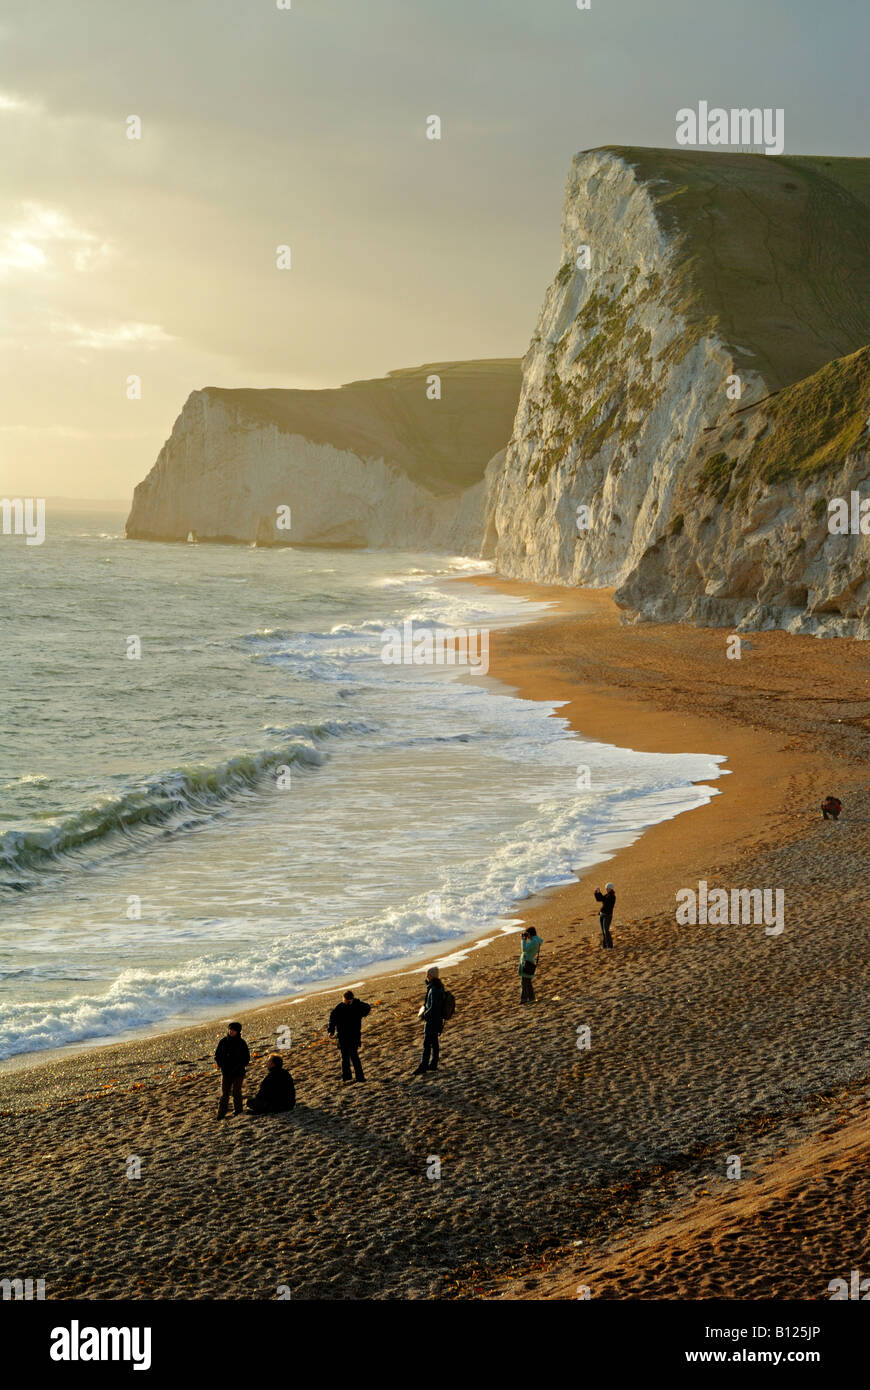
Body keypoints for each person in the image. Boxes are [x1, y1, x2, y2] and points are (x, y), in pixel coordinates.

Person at [327, 989, 372, 1083]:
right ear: (343, 999)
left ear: (352, 999)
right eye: (345, 1000)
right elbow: (332, 1019)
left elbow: (367, 1007)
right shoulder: (339, 1007)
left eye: (349, 1001)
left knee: (354, 1056)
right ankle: (347, 1078)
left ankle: (360, 1078)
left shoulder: (357, 1005)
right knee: (344, 1058)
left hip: (353, 1035)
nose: (347, 1002)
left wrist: (359, 1008)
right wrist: (331, 1031)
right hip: (342, 1036)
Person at [214, 1021, 250, 1119]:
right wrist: (221, 1065)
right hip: (226, 1072)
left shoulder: (242, 1043)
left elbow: (246, 1058)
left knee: (236, 1092)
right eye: (230, 1029)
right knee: (224, 1094)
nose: (231, 1031)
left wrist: (239, 1066)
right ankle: (221, 1114)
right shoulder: (223, 1041)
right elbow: (217, 1055)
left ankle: (238, 1111)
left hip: (238, 1072)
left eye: (233, 1030)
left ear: (238, 1031)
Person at [414, 966, 445, 1075]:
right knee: (434, 1043)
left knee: (427, 1044)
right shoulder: (438, 986)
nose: (427, 976)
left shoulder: (434, 989)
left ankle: (423, 1066)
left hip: (432, 1021)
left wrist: (424, 1015)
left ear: (432, 976)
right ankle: (433, 1064)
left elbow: (433, 1007)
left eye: (428, 974)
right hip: (437, 1020)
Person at [518, 926, 543, 1004]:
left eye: (527, 934)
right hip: (529, 961)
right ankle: (530, 998)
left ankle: (524, 999)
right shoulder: (536, 940)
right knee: (527, 982)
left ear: (530, 934)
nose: (526, 936)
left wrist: (523, 940)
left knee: (525, 981)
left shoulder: (534, 941)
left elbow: (524, 949)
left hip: (527, 962)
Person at [594, 882, 616, 950]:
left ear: (611, 889)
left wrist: (599, 894)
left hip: (608, 916)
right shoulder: (607, 895)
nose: (606, 889)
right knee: (603, 931)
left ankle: (610, 946)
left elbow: (606, 902)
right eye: (606, 888)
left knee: (606, 930)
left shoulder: (612, 896)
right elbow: (599, 899)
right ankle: (604, 945)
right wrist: (597, 892)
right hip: (602, 915)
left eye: (607, 888)